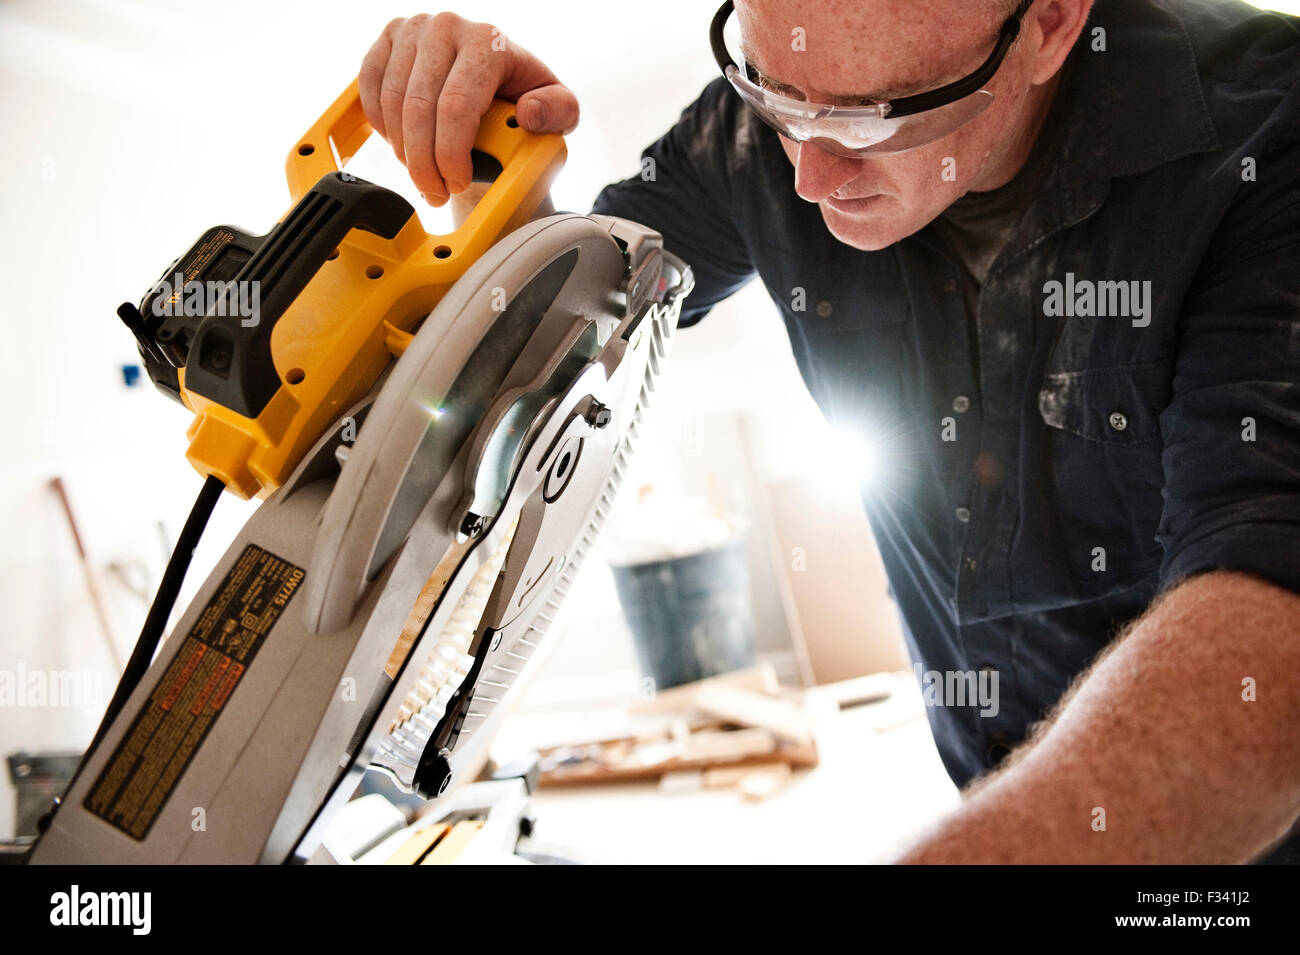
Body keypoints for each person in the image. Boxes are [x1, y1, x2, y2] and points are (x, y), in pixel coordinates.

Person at [358, 0, 1300, 863]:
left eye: (871, 115)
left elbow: (1270, 630)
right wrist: (494, 180)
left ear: (1049, 22)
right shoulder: (766, 130)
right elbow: (562, 340)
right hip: (997, 805)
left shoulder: (1268, 138)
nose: (809, 170)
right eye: (774, 86)